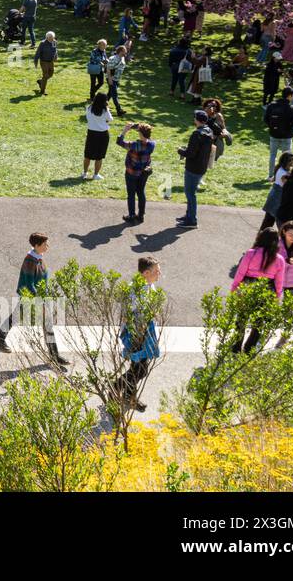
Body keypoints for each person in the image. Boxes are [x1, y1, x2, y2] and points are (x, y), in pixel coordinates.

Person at [0, 232, 66, 365]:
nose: (47, 246)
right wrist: (40, 301)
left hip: (38, 297)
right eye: (45, 244)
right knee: (21, 318)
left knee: (40, 322)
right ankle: (54, 356)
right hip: (30, 297)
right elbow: (28, 284)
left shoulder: (39, 257)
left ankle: (54, 355)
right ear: (37, 245)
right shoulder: (30, 261)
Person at [230, 227, 287, 353]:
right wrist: (278, 295)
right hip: (267, 289)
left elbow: (240, 272)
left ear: (260, 237)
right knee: (260, 322)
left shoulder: (251, 253)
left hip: (248, 286)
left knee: (242, 319)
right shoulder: (279, 259)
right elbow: (279, 281)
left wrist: (234, 287)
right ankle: (249, 348)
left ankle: (236, 347)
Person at [116, 256, 163, 411]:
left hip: (145, 332)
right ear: (146, 273)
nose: (160, 273)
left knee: (138, 368)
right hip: (136, 334)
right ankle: (116, 387)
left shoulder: (149, 285)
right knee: (140, 369)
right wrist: (138, 335)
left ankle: (128, 396)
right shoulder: (135, 290)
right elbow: (129, 314)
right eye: (156, 271)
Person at [176, 110, 215, 228]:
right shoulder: (209, 131)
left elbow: (191, 153)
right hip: (201, 167)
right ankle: (189, 215)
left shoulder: (196, 134)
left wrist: (180, 150)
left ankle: (192, 220)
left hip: (193, 168)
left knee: (190, 194)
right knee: (191, 193)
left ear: (197, 120)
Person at [116, 121, 155, 224]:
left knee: (131, 194)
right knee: (141, 192)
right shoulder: (151, 144)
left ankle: (132, 215)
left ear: (140, 133)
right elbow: (145, 131)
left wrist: (125, 130)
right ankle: (141, 216)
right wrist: (135, 126)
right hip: (144, 173)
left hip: (132, 173)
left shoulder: (134, 145)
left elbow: (119, 142)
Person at [264, 87, 293, 179]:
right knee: (287, 157)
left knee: (272, 155)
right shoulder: (292, 108)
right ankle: (284, 176)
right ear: (290, 96)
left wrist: (272, 127)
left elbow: (265, 119)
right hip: (287, 136)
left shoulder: (271, 105)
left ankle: (271, 176)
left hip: (274, 134)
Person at [260, 152, 293, 229]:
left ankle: (262, 236)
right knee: (278, 222)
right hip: (278, 198)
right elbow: (289, 185)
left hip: (274, 196)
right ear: (287, 161)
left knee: (268, 221)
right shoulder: (284, 174)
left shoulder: (280, 169)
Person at [82, 92, 113, 180]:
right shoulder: (105, 110)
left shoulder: (89, 108)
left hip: (91, 133)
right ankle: (96, 175)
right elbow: (110, 119)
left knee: (87, 155)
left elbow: (88, 118)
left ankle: (84, 173)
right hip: (103, 135)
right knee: (99, 156)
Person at [105, 44, 128, 118]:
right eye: (125, 51)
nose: (126, 53)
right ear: (120, 51)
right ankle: (119, 110)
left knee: (110, 94)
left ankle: (102, 106)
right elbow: (108, 68)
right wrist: (110, 79)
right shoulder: (114, 58)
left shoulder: (122, 58)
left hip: (116, 79)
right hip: (112, 79)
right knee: (115, 95)